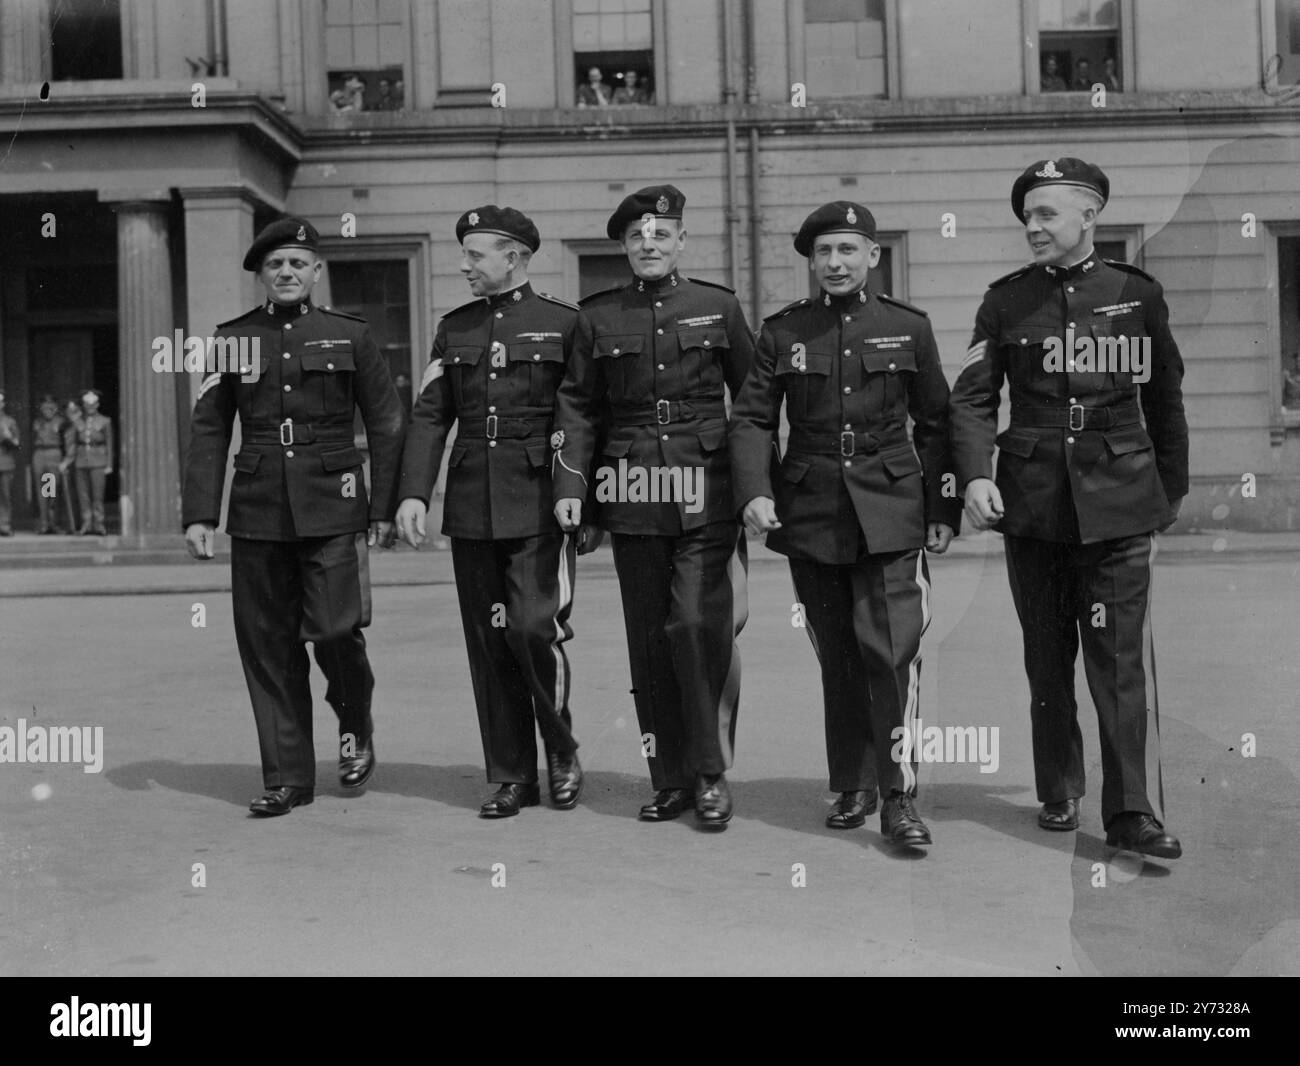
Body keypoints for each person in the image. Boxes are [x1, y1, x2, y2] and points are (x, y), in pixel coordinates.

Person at [949, 158, 1187, 859]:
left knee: (1118, 661)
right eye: (1028, 215)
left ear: (1090, 215)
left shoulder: (1134, 294)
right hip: (1033, 503)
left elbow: (1165, 399)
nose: (1033, 226)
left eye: (1047, 213)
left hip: (1120, 500)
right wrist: (974, 476)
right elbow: (972, 397)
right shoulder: (1005, 301)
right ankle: (1058, 785)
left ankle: (1132, 812)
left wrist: (1167, 493)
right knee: (1047, 655)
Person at [729, 202, 960, 846]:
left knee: (891, 652)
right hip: (813, 511)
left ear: (872, 256)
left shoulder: (907, 327)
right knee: (838, 654)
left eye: (848, 250)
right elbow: (751, 419)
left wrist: (942, 509)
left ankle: (898, 796)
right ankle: (854, 782)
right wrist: (754, 491)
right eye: (824, 252)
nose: (835, 263)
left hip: (892, 508)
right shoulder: (784, 331)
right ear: (811, 260)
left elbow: (936, 423)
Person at [182, 216, 405, 817]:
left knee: (334, 630)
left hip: (333, 502)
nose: (286, 272)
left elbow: (386, 421)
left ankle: (355, 724)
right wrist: (200, 513)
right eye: (275, 264)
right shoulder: (232, 339)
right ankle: (287, 779)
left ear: (316, 272)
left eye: (298, 263)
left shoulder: (349, 335)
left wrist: (383, 507)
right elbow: (209, 427)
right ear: (261, 274)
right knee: (268, 644)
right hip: (257, 508)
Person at [552, 184, 756, 829]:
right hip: (631, 489)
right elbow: (579, 408)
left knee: (695, 625)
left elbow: (753, 403)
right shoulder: (596, 316)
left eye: (661, 235)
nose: (649, 245)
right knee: (649, 639)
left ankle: (710, 772)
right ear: (623, 246)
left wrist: (756, 487)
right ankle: (668, 779)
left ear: (681, 241)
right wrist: (574, 493)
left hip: (706, 487)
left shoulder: (717, 307)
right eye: (638, 237)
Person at [396, 206, 585, 819]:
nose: (463, 265)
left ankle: (560, 749)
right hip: (473, 501)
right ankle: (510, 775)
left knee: (533, 629)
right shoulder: (454, 328)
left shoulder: (563, 323)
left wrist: (574, 488)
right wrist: (413, 493)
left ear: (515, 257)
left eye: (475, 255)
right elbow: (431, 415)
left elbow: (579, 414)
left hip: (539, 500)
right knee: (490, 641)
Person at [72, 388, 112, 535]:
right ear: (83, 405)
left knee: (97, 495)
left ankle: (99, 524)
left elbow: (109, 443)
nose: (90, 407)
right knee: (83, 496)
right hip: (81, 460)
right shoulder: (78, 421)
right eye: (87, 404)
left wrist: (109, 464)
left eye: (92, 404)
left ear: (97, 405)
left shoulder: (105, 421)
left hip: (98, 461)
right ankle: (86, 524)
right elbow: (73, 443)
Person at [30, 394, 69, 534]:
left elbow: (67, 442)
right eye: (45, 406)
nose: (47, 409)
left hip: (54, 454)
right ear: (41, 408)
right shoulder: (37, 422)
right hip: (39, 454)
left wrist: (65, 460)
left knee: (52, 491)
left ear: (56, 407)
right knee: (42, 492)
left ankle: (54, 523)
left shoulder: (61, 422)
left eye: (51, 406)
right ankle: (44, 524)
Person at [60, 399, 81, 532]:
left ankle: (77, 525)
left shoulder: (79, 425)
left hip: (77, 461)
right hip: (62, 462)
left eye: (74, 411)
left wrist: (66, 461)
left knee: (79, 494)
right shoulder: (64, 426)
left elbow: (74, 446)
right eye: (69, 411)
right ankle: (49, 523)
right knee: (50, 493)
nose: (71, 414)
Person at [0, 389, 19, 536]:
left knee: (5, 495)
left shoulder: (10, 421)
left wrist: (9, 437)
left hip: (5, 462)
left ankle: (4, 525)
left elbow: (18, 444)